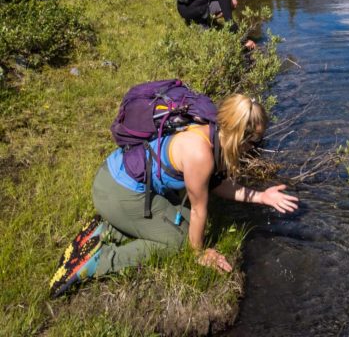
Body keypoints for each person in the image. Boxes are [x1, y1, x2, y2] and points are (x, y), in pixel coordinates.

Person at [50, 94, 297, 296]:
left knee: (187, 222)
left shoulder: (209, 125)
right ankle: (97, 263)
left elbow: (214, 184)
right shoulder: (201, 154)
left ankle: (107, 229)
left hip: (115, 177)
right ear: (239, 137)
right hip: (116, 192)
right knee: (179, 242)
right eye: (254, 142)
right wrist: (199, 254)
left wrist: (262, 197)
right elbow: (202, 208)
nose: (253, 148)